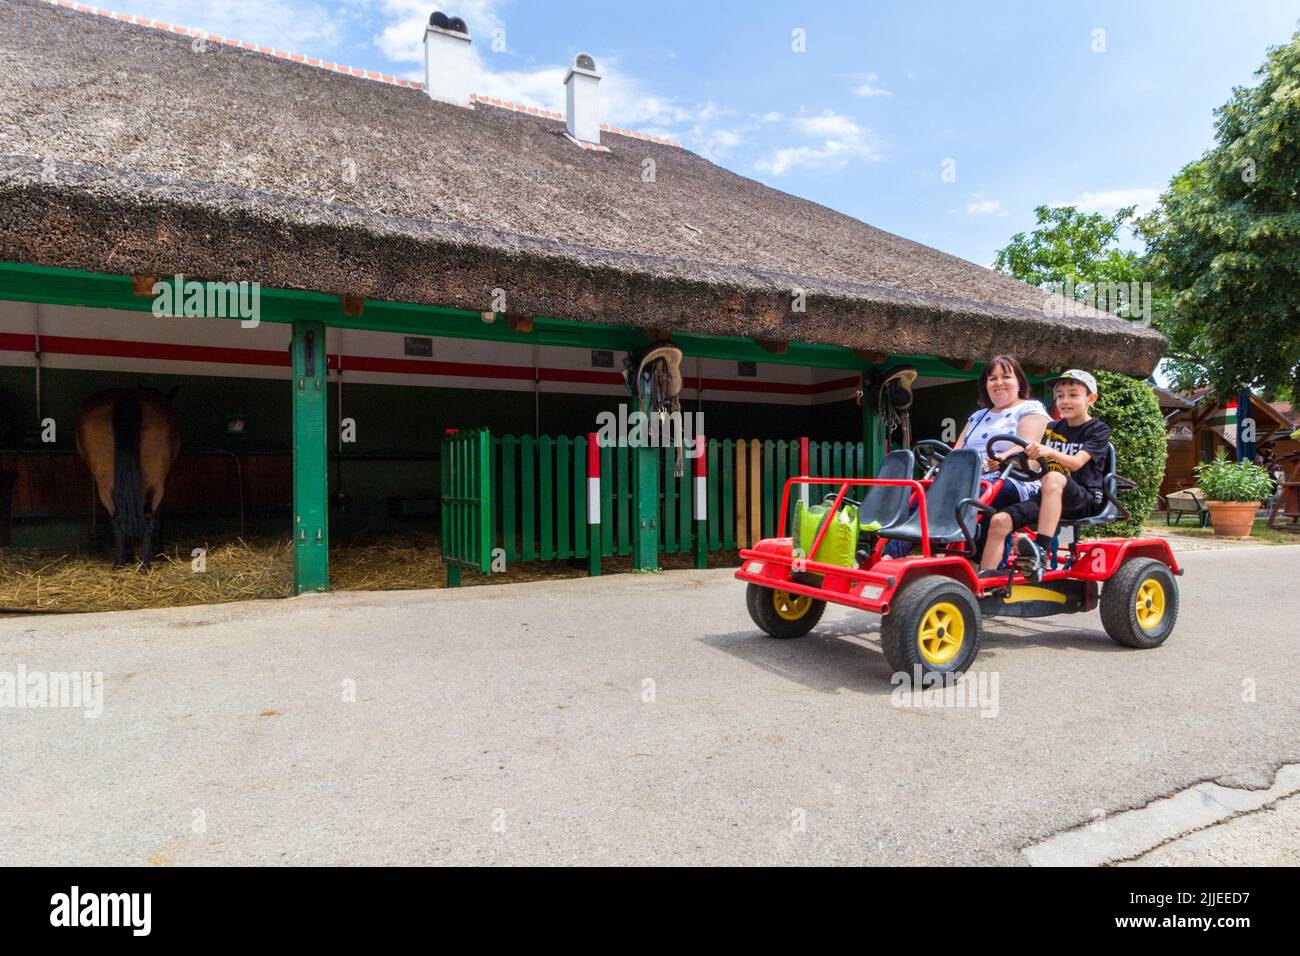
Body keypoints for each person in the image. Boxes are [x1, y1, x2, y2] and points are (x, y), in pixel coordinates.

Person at [978, 370, 1111, 577]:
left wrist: (1049, 451)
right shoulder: (1052, 427)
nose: (1064, 401)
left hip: (1084, 499)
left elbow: (1076, 463)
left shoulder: (1098, 429)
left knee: (1054, 477)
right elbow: (1035, 466)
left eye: (1073, 395)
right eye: (1060, 395)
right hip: (1048, 495)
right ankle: (984, 584)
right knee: (999, 520)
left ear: (1091, 399)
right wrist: (1004, 463)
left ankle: (1040, 551)